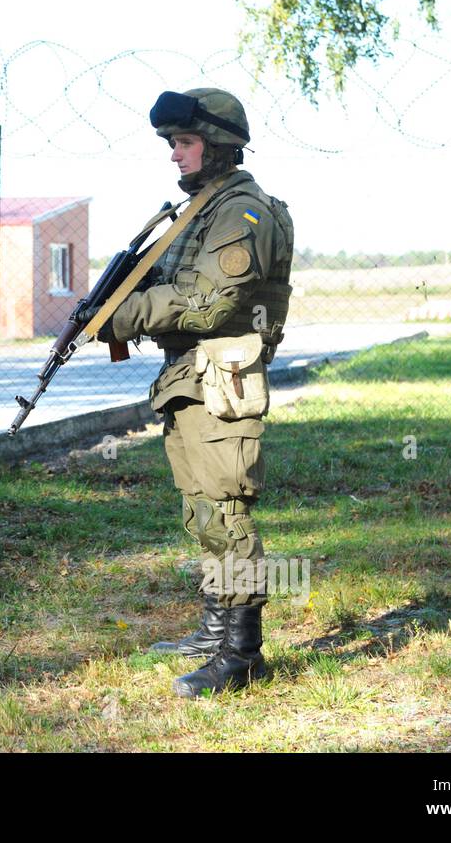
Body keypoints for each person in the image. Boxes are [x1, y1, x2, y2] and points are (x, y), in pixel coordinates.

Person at [92, 88, 294, 697]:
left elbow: (210, 302)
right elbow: (168, 284)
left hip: (221, 375)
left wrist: (119, 315)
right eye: (172, 144)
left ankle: (242, 654)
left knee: (226, 509)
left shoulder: (242, 212)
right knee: (203, 509)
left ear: (219, 145)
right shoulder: (200, 210)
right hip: (191, 374)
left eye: (183, 142)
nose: (174, 155)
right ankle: (215, 631)